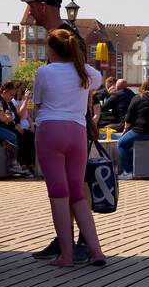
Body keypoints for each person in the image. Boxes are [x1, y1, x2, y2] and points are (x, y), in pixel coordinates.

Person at [22, 0, 96, 262]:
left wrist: (88, 117)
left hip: (71, 122)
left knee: (75, 184)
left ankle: (80, 242)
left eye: (32, 6)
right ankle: (67, 237)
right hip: (74, 123)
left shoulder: (68, 38)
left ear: (43, 7)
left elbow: (85, 80)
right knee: (68, 184)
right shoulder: (62, 36)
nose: (29, 13)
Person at [32, 28, 109, 267]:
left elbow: (37, 104)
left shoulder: (44, 72)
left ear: (52, 50)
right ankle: (96, 251)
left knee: (58, 194)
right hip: (77, 132)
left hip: (50, 131)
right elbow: (97, 79)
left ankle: (66, 254)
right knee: (77, 193)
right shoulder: (85, 71)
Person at [117, 79, 149, 179]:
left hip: (143, 131)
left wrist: (125, 131)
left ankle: (128, 172)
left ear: (142, 87)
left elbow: (129, 119)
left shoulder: (137, 97)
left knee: (122, 144)